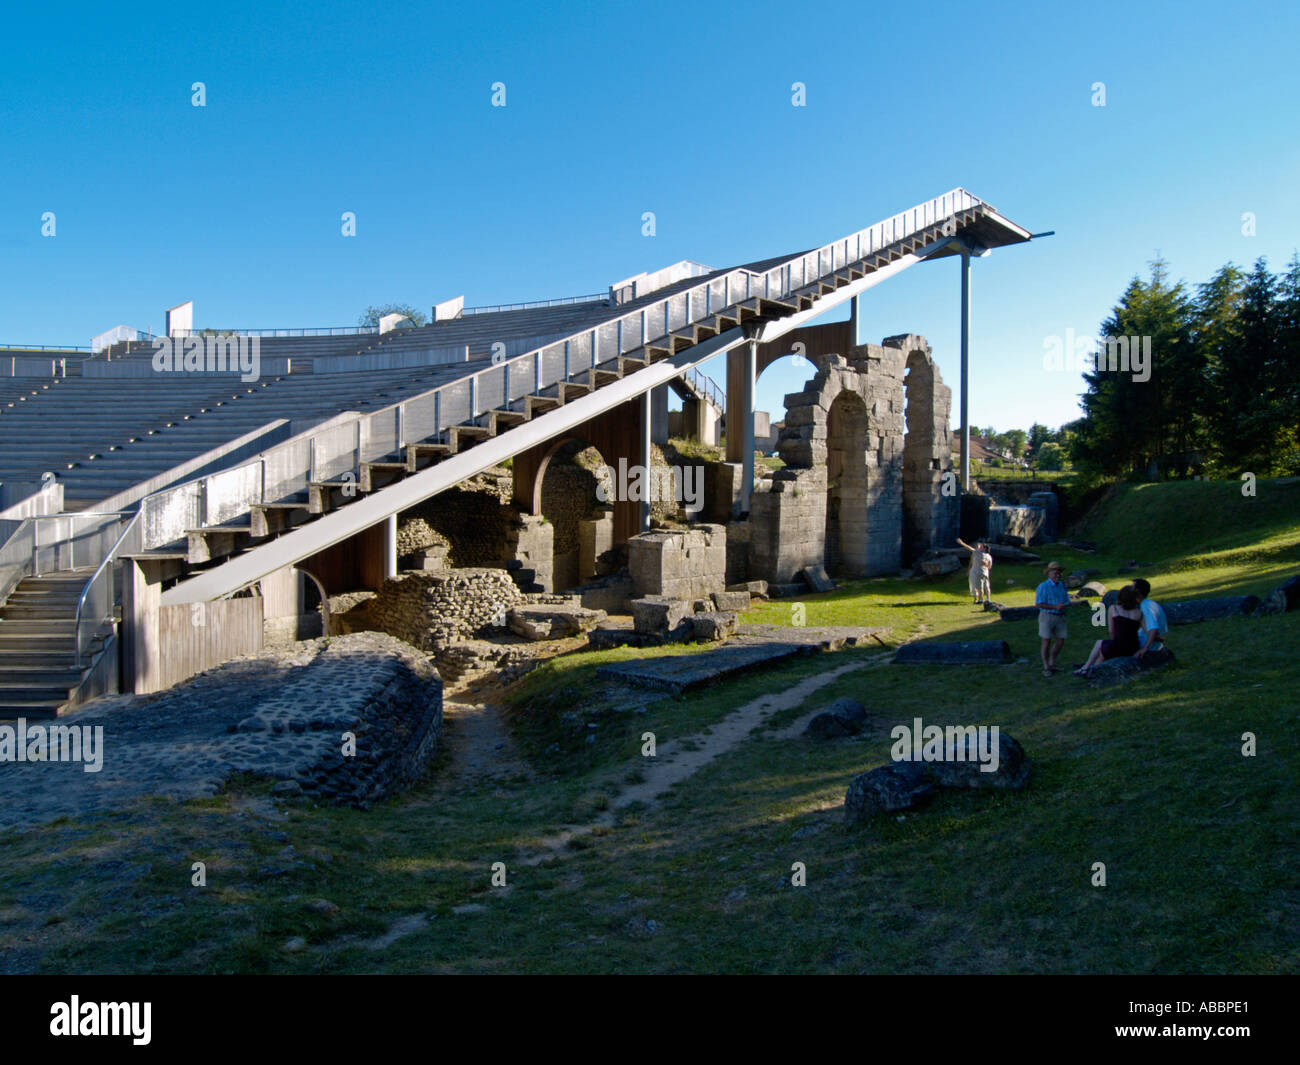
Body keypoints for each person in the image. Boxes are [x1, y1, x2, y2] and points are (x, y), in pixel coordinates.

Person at [1074, 584, 1144, 675]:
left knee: (1100, 643)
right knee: (1102, 653)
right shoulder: (1139, 613)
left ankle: (1085, 667)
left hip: (1119, 646)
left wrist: (1115, 641)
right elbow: (1147, 630)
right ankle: (1091, 669)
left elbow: (1111, 630)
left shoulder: (1114, 608)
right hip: (1133, 647)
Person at [1035, 561, 1069, 676]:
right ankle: (1046, 666)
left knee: (1060, 641)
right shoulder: (1043, 586)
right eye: (1055, 572)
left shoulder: (1062, 585)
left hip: (1060, 615)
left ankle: (1052, 662)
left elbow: (1066, 600)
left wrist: (1065, 605)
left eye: (1059, 572)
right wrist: (1054, 606)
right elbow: (1038, 604)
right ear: (1049, 573)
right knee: (1046, 640)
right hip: (1047, 616)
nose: (1058, 574)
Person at [1132, 577, 1169, 658]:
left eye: (1132, 587)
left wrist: (1145, 648)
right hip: (1153, 643)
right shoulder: (1149, 603)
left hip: (1147, 644)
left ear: (1137, 591)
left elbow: (1153, 628)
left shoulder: (1146, 607)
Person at [956, 537, 989, 606]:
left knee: (979, 587)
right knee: (980, 586)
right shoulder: (985, 555)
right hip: (979, 572)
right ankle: (984, 599)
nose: (979, 547)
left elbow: (969, 548)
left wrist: (961, 543)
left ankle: (980, 600)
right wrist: (969, 570)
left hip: (979, 572)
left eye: (981, 546)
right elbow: (971, 562)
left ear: (984, 549)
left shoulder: (979, 553)